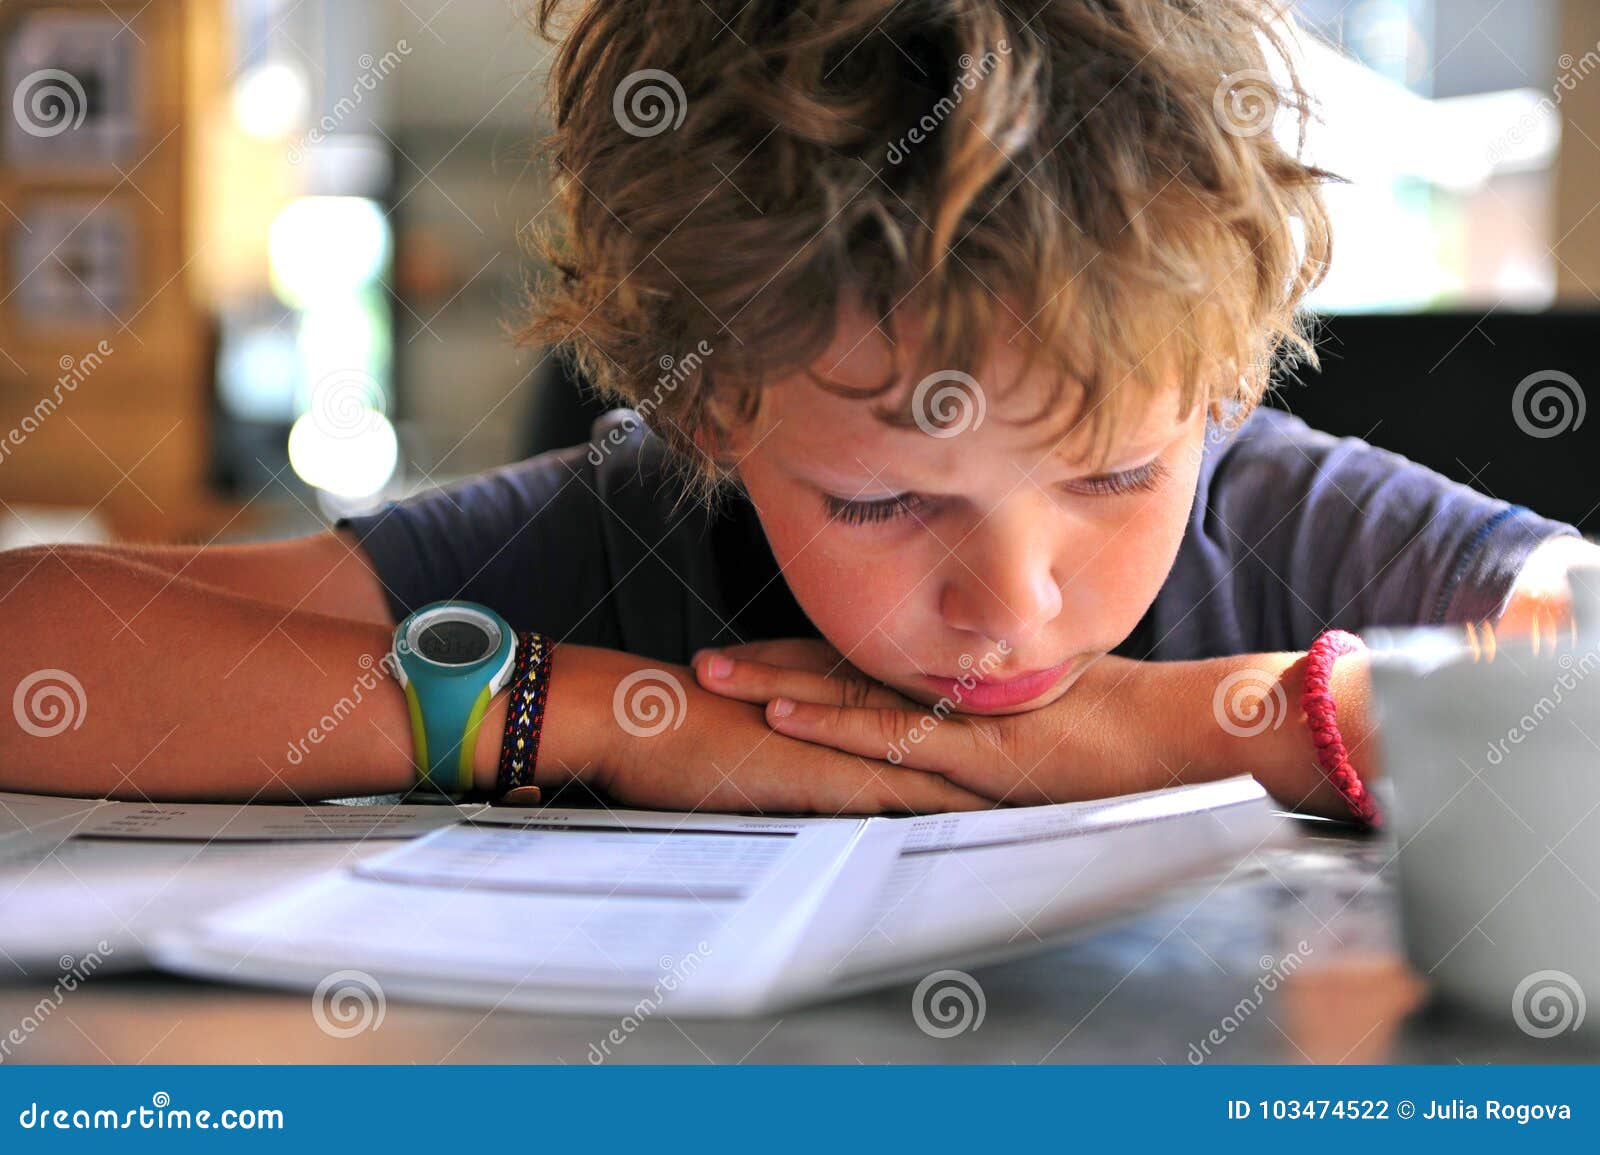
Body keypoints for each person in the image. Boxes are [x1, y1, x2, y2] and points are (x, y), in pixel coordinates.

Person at [1, 0, 1591, 822]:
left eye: (1114, 470)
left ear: (1225, 378)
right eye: (885, 503)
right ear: (709, 419)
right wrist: (621, 722)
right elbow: (33, 640)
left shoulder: (1290, 524)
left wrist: (1176, 726)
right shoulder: (630, 536)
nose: (1014, 603)